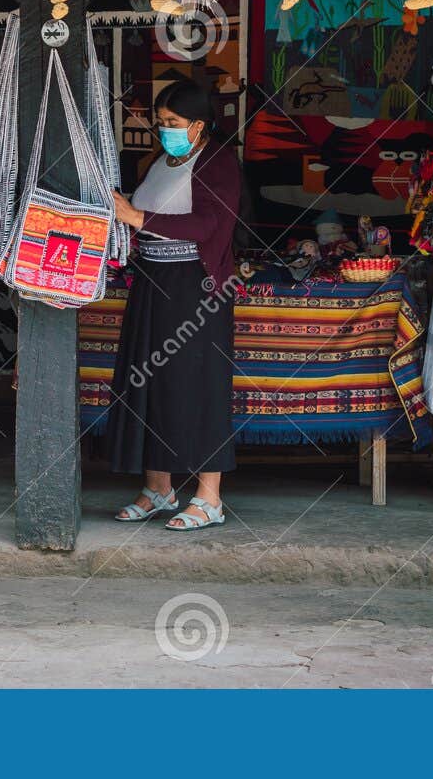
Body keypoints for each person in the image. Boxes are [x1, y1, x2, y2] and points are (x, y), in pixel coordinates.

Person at [107, 78, 242, 531]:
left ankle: (209, 497)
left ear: (200, 125)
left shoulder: (218, 162)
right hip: (152, 282)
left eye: (173, 122)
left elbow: (208, 224)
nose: (164, 129)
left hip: (195, 288)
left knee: (197, 384)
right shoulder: (162, 161)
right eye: (160, 122)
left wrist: (136, 217)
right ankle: (158, 488)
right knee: (148, 382)